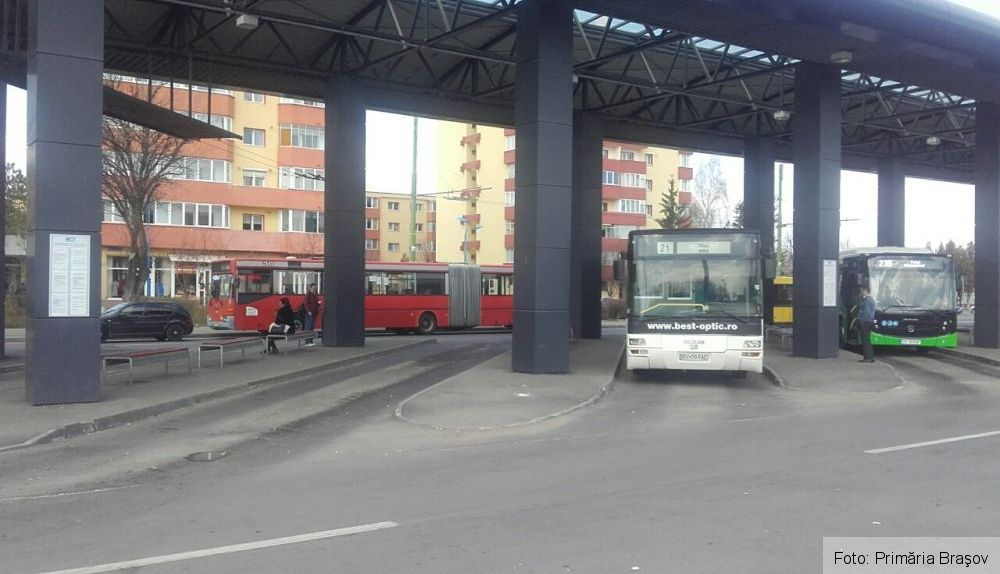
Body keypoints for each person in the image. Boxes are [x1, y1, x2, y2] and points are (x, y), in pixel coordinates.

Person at [857, 285, 876, 363]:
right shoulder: (870, 300)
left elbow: (866, 312)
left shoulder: (867, 300)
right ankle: (870, 357)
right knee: (867, 340)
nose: (861, 293)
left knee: (865, 340)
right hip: (869, 321)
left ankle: (867, 358)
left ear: (865, 291)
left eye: (862, 291)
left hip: (865, 322)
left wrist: (860, 319)